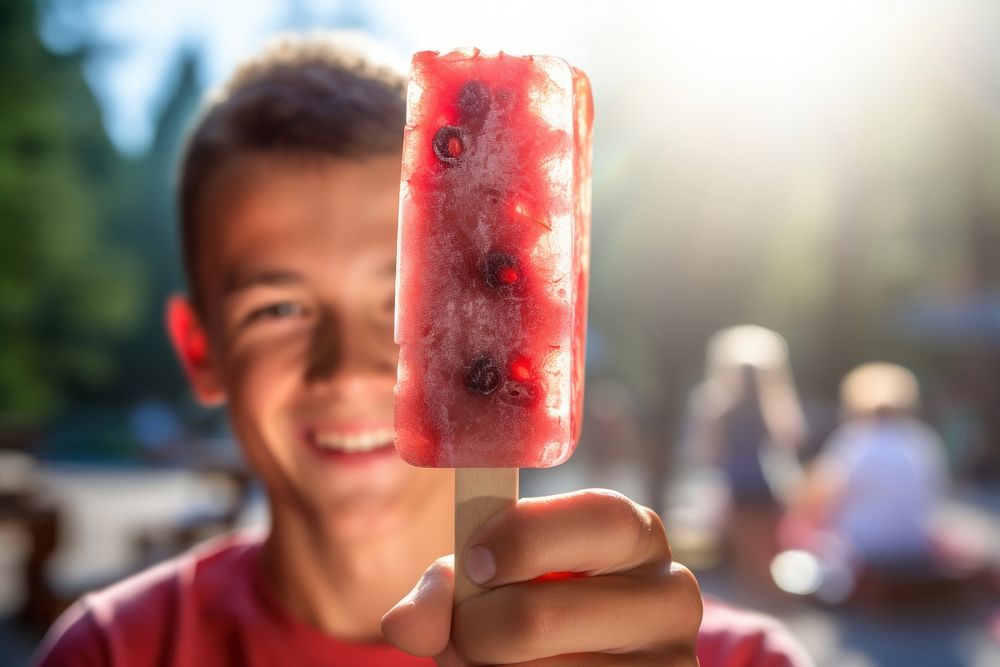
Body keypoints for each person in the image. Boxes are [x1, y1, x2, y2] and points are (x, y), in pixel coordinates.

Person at [34, 33, 813, 666]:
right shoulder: (113, 649)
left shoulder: (721, 656)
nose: (345, 367)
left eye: (397, 296)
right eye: (279, 307)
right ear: (200, 350)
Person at [786, 362, 950, 601]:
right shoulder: (923, 439)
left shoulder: (855, 439)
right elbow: (936, 492)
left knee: (799, 532)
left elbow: (820, 494)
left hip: (862, 546)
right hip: (912, 541)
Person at [682, 325, 807, 599]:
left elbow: (704, 450)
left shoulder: (719, 406)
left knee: (747, 558)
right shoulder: (772, 403)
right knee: (767, 553)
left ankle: (756, 602)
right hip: (765, 485)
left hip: (738, 486)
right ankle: (774, 602)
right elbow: (790, 439)